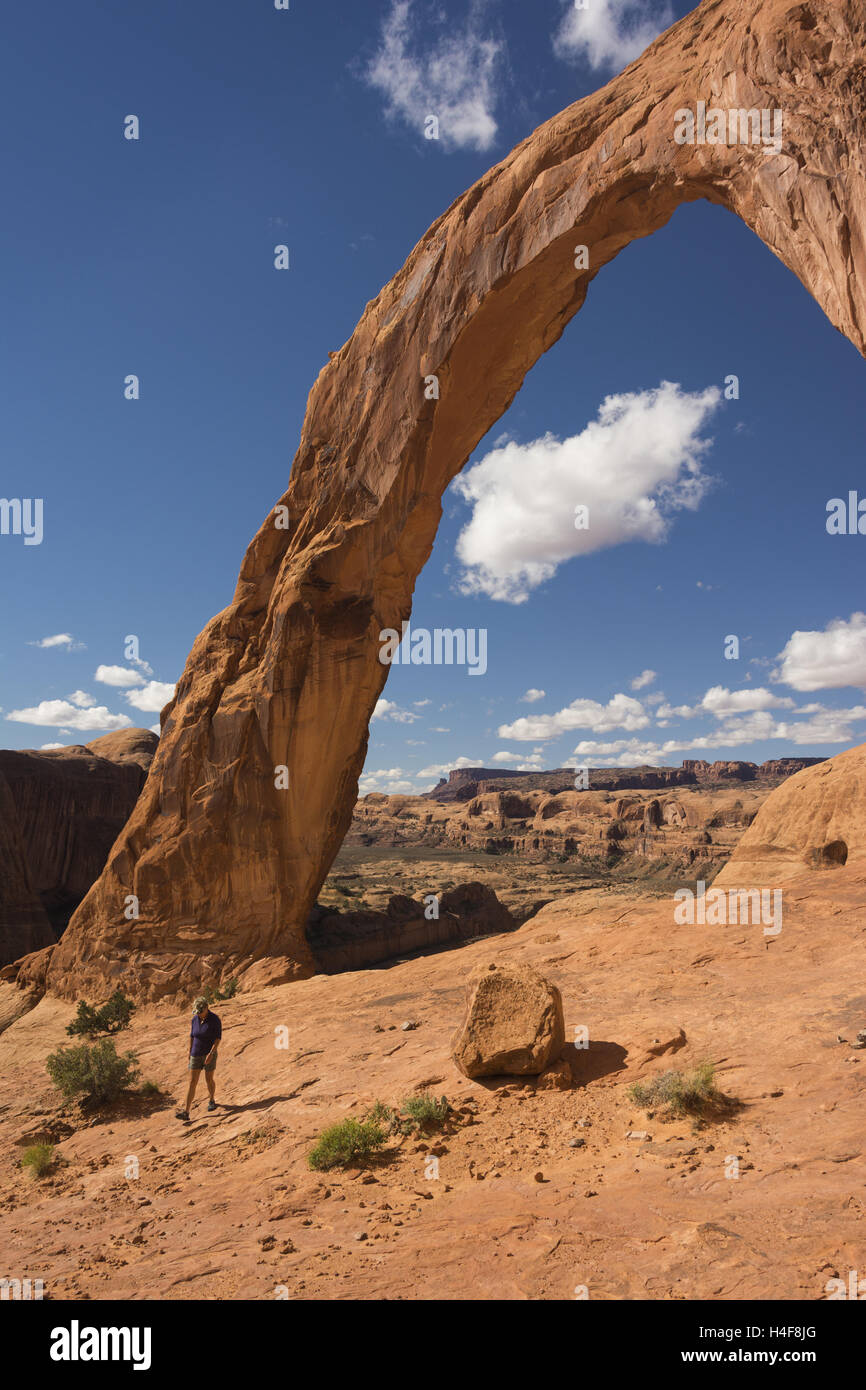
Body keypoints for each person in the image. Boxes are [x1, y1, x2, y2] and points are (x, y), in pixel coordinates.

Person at [176, 995, 222, 1121]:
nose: (199, 1014)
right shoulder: (194, 1019)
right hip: (196, 1054)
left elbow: (218, 1038)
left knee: (209, 1079)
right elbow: (192, 1035)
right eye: (197, 1012)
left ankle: (212, 1100)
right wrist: (189, 1050)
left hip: (209, 1054)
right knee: (192, 1082)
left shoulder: (215, 1020)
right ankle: (186, 1112)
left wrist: (211, 1054)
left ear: (207, 1008)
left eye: (200, 1012)